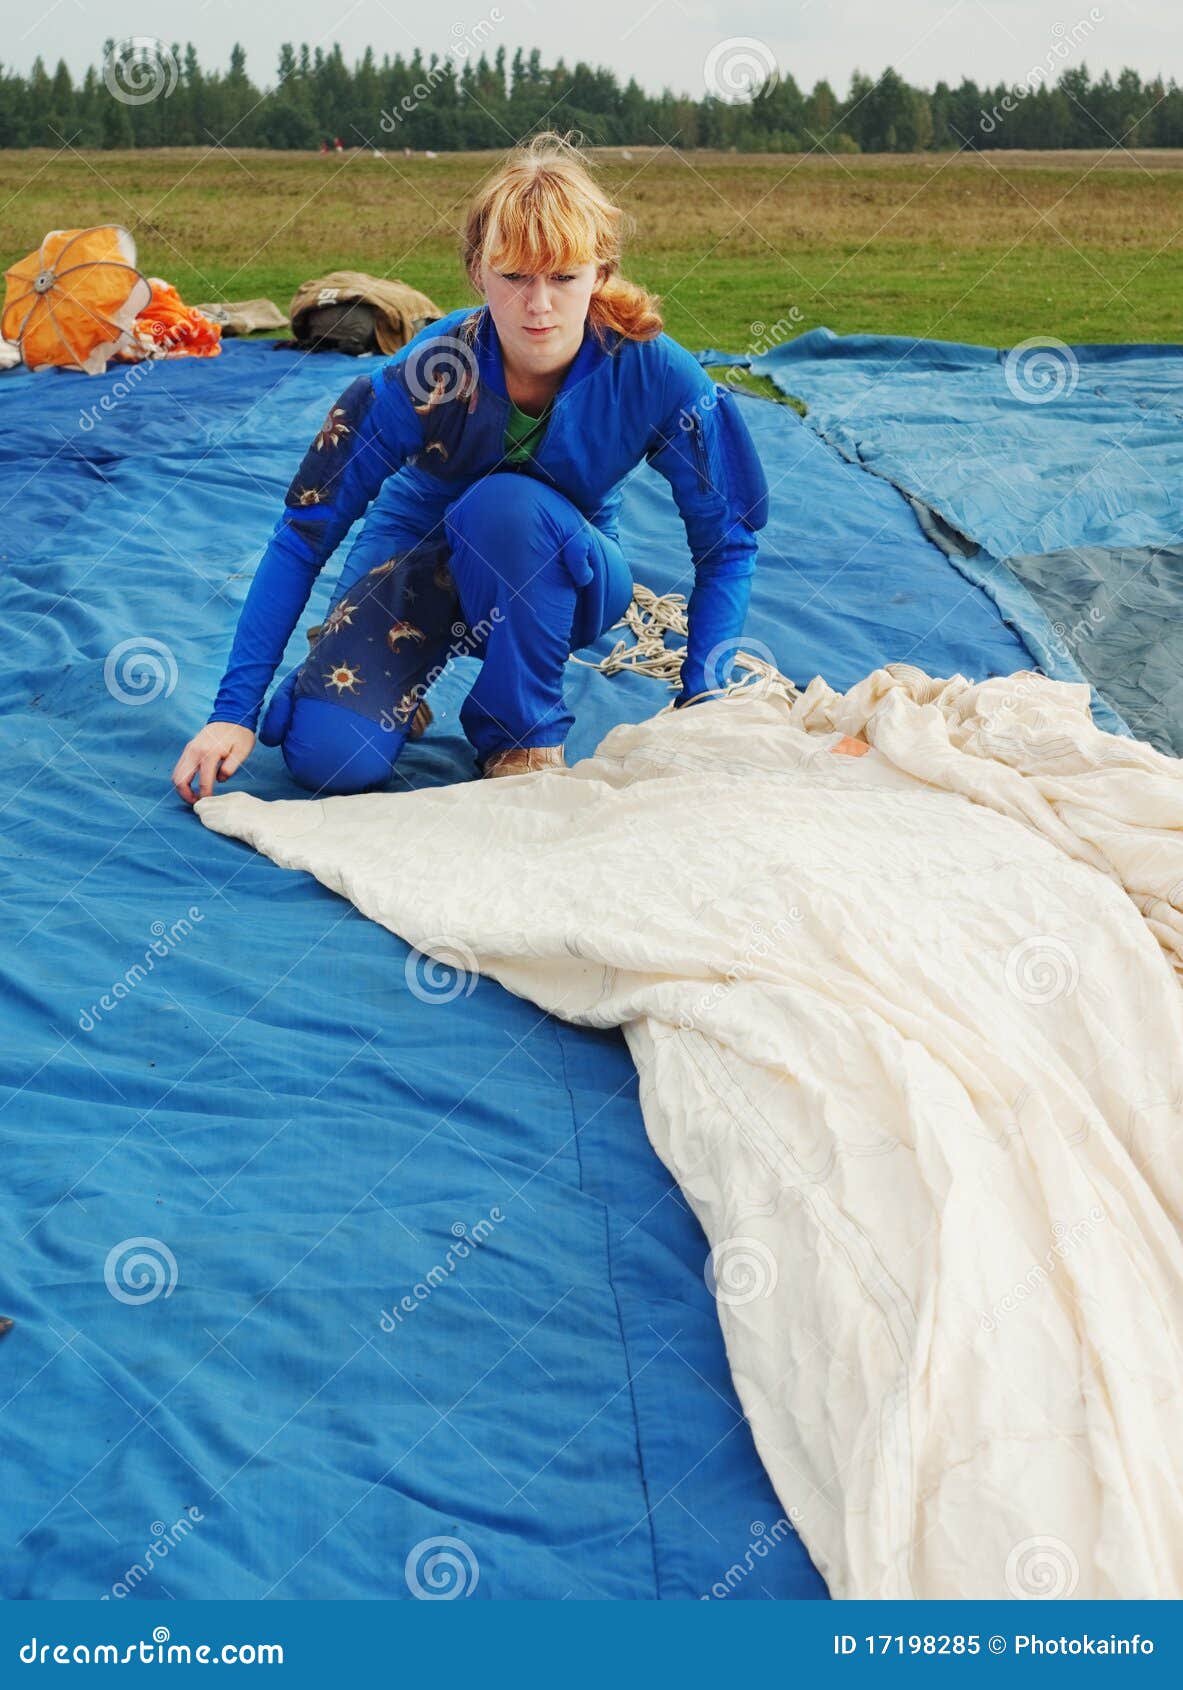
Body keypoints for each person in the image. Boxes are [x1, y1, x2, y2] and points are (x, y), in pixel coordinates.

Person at [173, 130, 769, 804]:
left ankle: (519, 735)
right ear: (477, 272)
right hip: (417, 557)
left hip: (562, 576)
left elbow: (730, 539)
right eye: (513, 276)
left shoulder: (655, 371)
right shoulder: (426, 371)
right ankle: (375, 669)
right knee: (330, 762)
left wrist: (705, 697)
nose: (537, 304)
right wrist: (233, 710)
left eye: (563, 277)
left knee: (506, 507)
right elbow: (304, 529)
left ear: (600, 275)